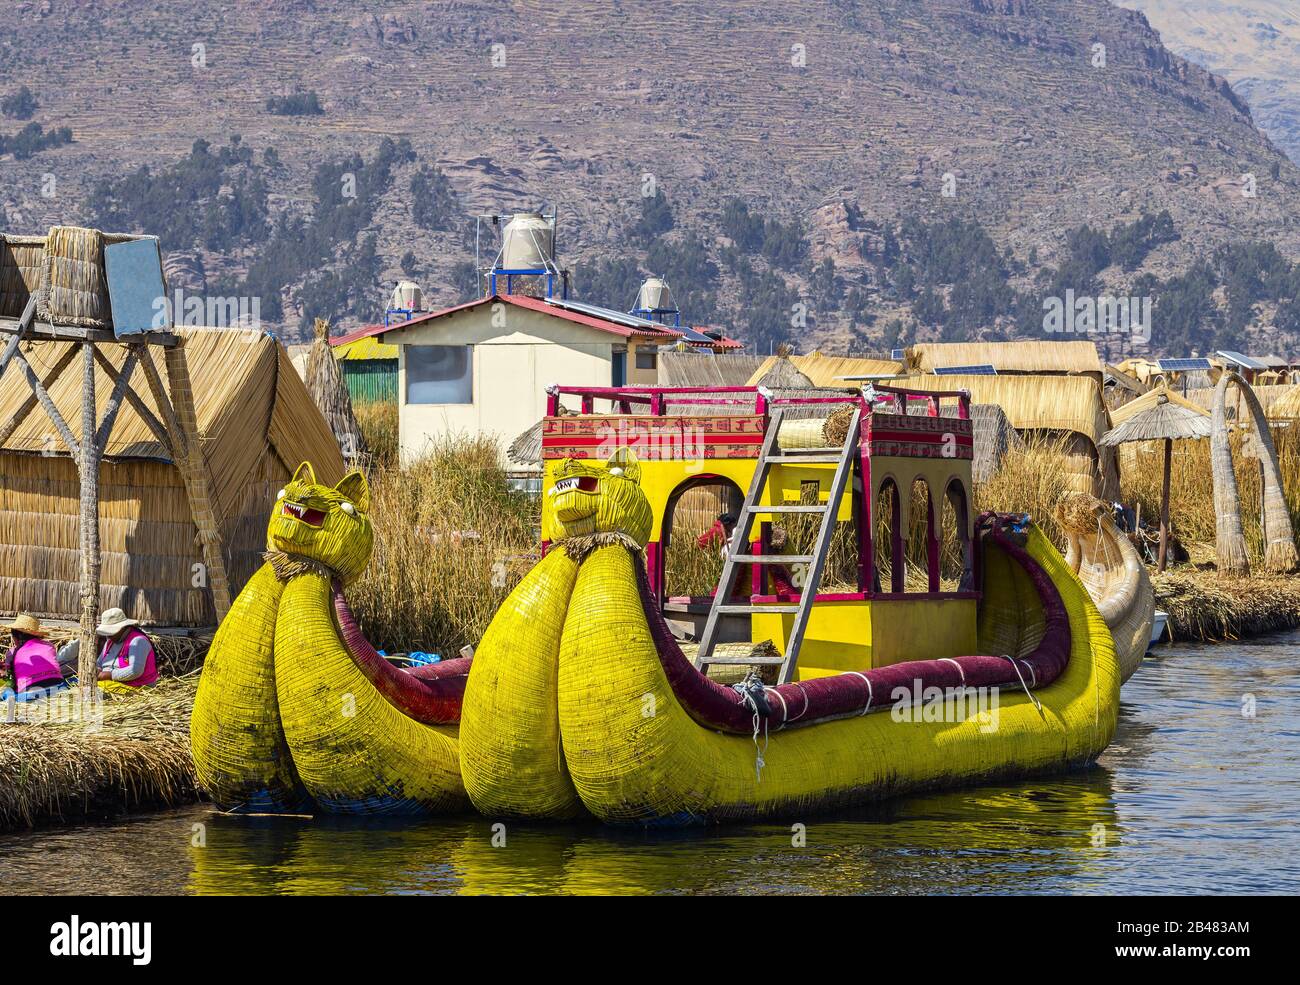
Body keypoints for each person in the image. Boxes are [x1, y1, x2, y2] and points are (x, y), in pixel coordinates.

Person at [57, 607, 158, 694]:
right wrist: (96, 670)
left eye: (111, 632)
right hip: (109, 682)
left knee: (86, 692)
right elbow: (100, 662)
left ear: (123, 628)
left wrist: (109, 675)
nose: (108, 635)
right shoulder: (111, 640)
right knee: (71, 682)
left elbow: (135, 671)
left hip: (135, 686)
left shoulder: (138, 641)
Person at [2, 613, 68, 702]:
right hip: (57, 686)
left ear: (16, 637)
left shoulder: (12, 652)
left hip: (30, 692)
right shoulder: (49, 645)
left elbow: (9, 675)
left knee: (7, 693)